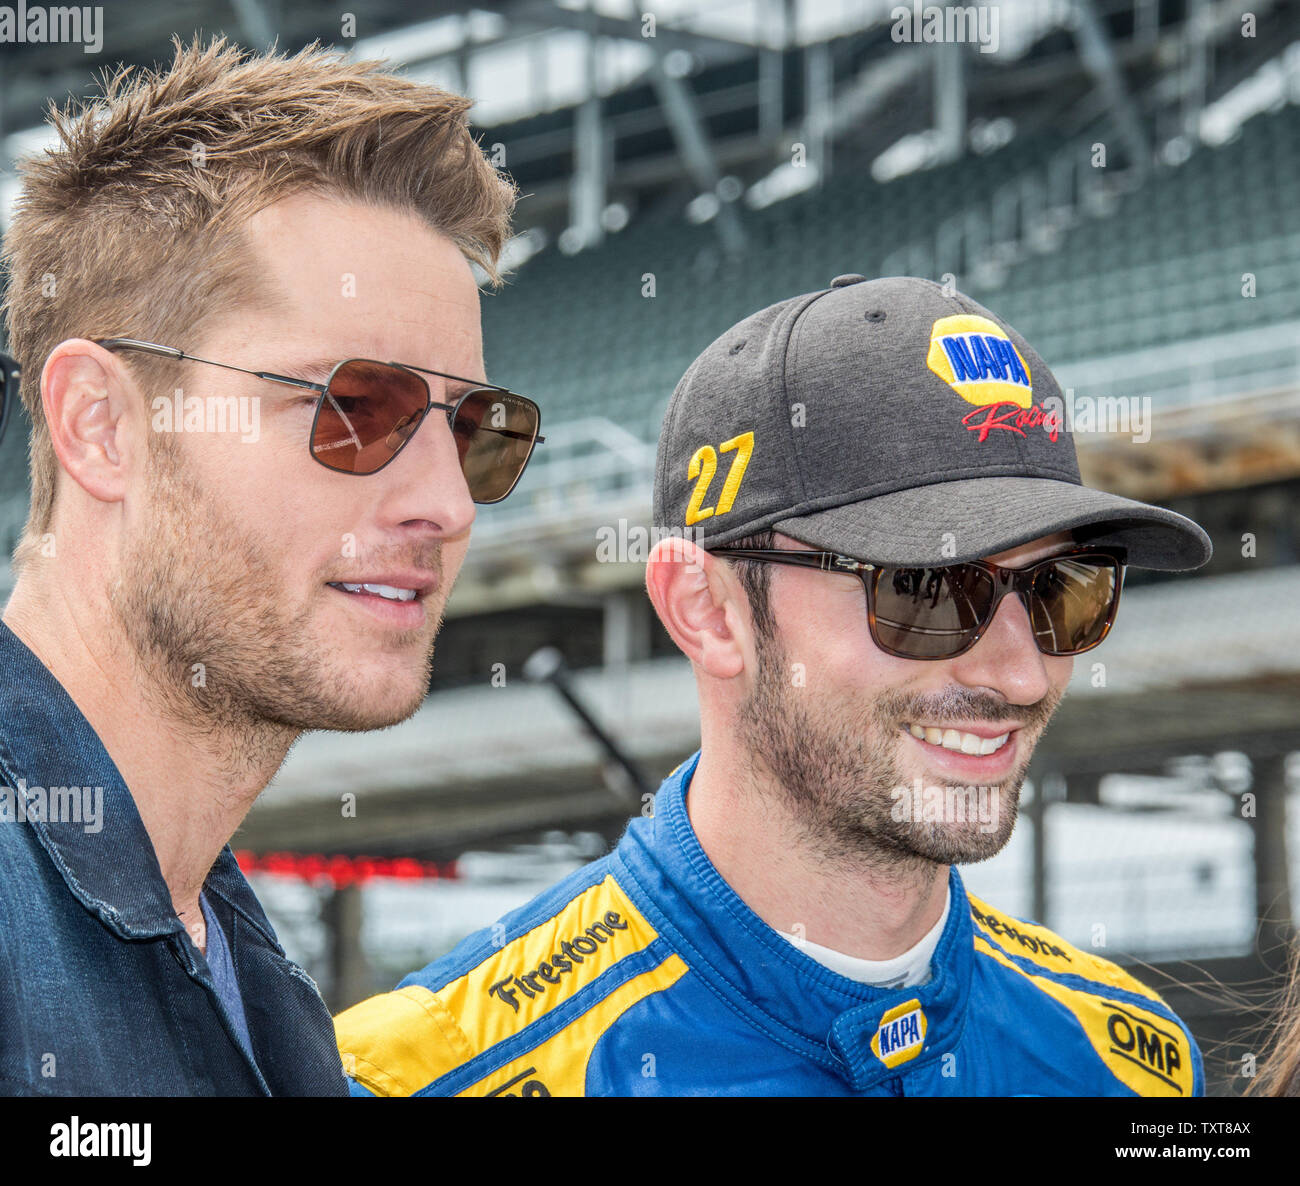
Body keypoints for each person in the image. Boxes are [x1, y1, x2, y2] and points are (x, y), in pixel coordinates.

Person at [335, 274, 1210, 1096]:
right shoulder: (421, 1076)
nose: (1020, 673)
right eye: (926, 588)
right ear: (707, 610)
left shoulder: (1137, 1062)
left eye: (1066, 588)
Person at [0, 37, 538, 1095]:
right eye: (350, 406)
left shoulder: (260, 987)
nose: (444, 502)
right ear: (101, 426)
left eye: (478, 425)